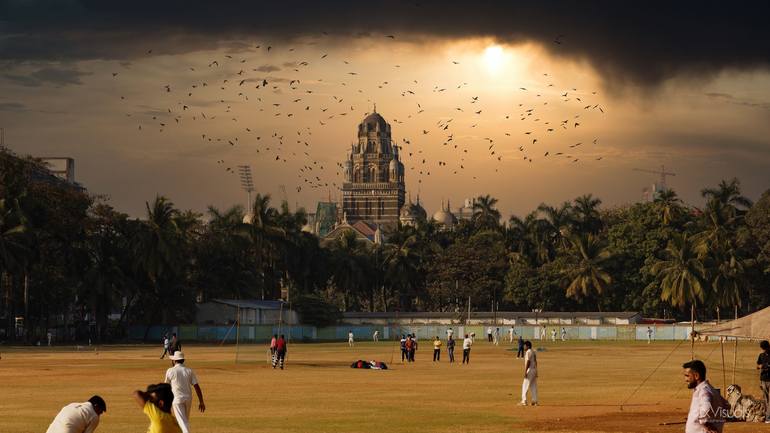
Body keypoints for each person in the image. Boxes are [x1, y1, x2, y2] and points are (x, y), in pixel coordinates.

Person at [165, 351, 205, 433]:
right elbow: (196, 386)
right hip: (188, 399)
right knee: (184, 421)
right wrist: (201, 401)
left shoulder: (170, 371)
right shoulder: (189, 371)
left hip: (177, 399)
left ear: (174, 360)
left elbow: (165, 387)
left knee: (182, 422)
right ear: (183, 360)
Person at [682, 359, 725, 433]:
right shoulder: (708, 389)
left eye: (687, 376)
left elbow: (706, 408)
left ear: (696, 376)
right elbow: (726, 405)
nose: (685, 379)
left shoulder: (704, 391)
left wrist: (706, 423)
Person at [520, 341, 538, 406]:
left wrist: (525, 371)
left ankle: (524, 401)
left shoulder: (528, 352)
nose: (524, 347)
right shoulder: (533, 352)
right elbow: (536, 361)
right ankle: (534, 400)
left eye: (524, 346)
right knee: (533, 386)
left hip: (529, 370)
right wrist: (536, 370)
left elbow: (528, 361)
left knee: (525, 385)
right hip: (534, 369)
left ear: (527, 346)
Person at [756, 340, 770, 423]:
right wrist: (759, 366)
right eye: (762, 349)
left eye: (764, 348)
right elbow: (757, 365)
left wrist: (765, 366)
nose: (763, 350)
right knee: (765, 399)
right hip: (763, 379)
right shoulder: (761, 355)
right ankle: (766, 416)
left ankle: (768, 417)